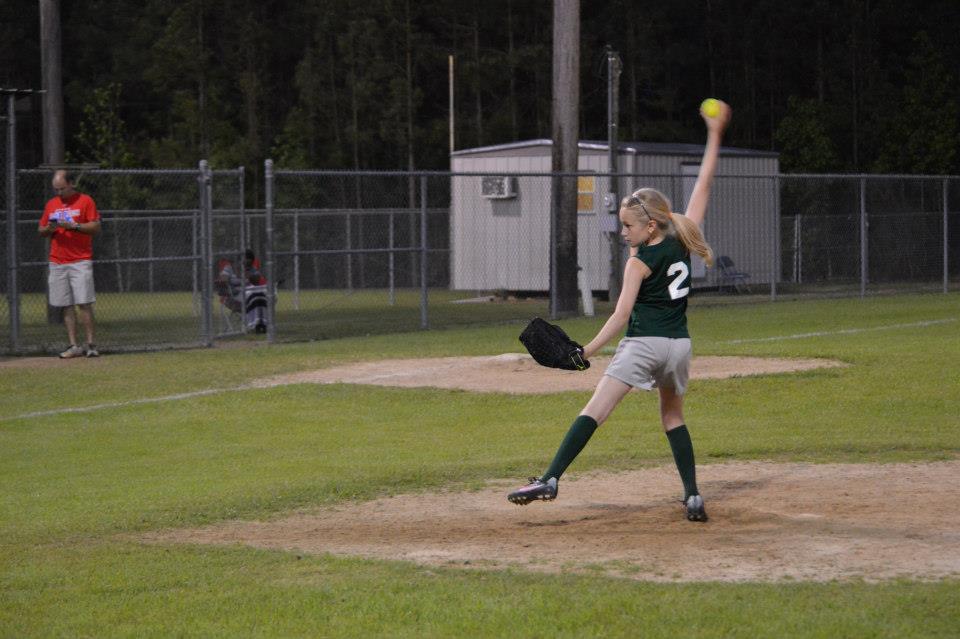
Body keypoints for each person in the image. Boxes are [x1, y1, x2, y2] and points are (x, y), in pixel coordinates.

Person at [507, 100, 732, 522]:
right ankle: (694, 496)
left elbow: (621, 315)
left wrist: (586, 352)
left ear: (650, 226)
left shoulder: (638, 261)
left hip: (643, 345)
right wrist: (715, 135)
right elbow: (703, 186)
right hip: (679, 347)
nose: (623, 231)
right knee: (672, 416)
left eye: (628, 225)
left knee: (595, 410)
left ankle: (551, 478)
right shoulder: (683, 236)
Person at [38, 170, 102, 358]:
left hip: (80, 260)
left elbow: (95, 227)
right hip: (57, 261)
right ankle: (74, 346)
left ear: (71, 183)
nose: (59, 193)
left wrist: (72, 225)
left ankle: (91, 345)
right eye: (56, 190)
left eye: (62, 189)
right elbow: (41, 229)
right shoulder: (51, 205)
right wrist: (49, 228)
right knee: (66, 304)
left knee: (84, 302)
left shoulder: (85, 201)